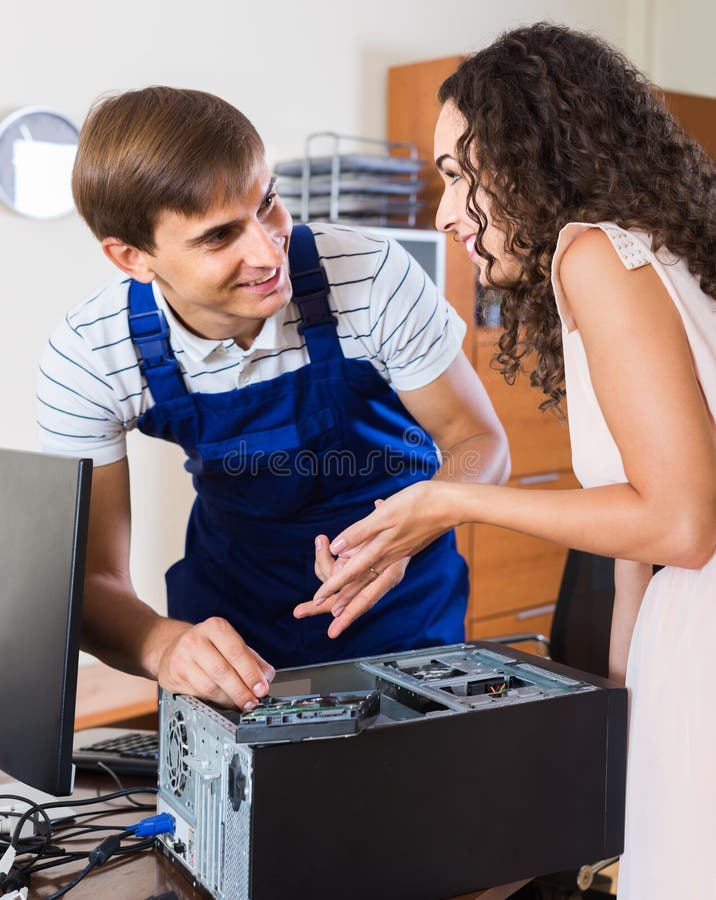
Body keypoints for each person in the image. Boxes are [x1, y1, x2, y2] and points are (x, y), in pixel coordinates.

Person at [308, 23, 716, 899]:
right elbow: (635, 535)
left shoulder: (593, 252)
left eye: (459, 174)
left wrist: (454, 505)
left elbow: (680, 523)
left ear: (534, 156)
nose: (445, 211)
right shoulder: (658, 248)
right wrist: (619, 712)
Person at [37, 86, 509, 713]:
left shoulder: (367, 275)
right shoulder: (92, 354)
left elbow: (479, 444)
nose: (267, 252)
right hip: (232, 628)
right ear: (133, 257)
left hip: (402, 608)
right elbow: (91, 580)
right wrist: (160, 645)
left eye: (268, 204)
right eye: (219, 236)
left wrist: (418, 521)